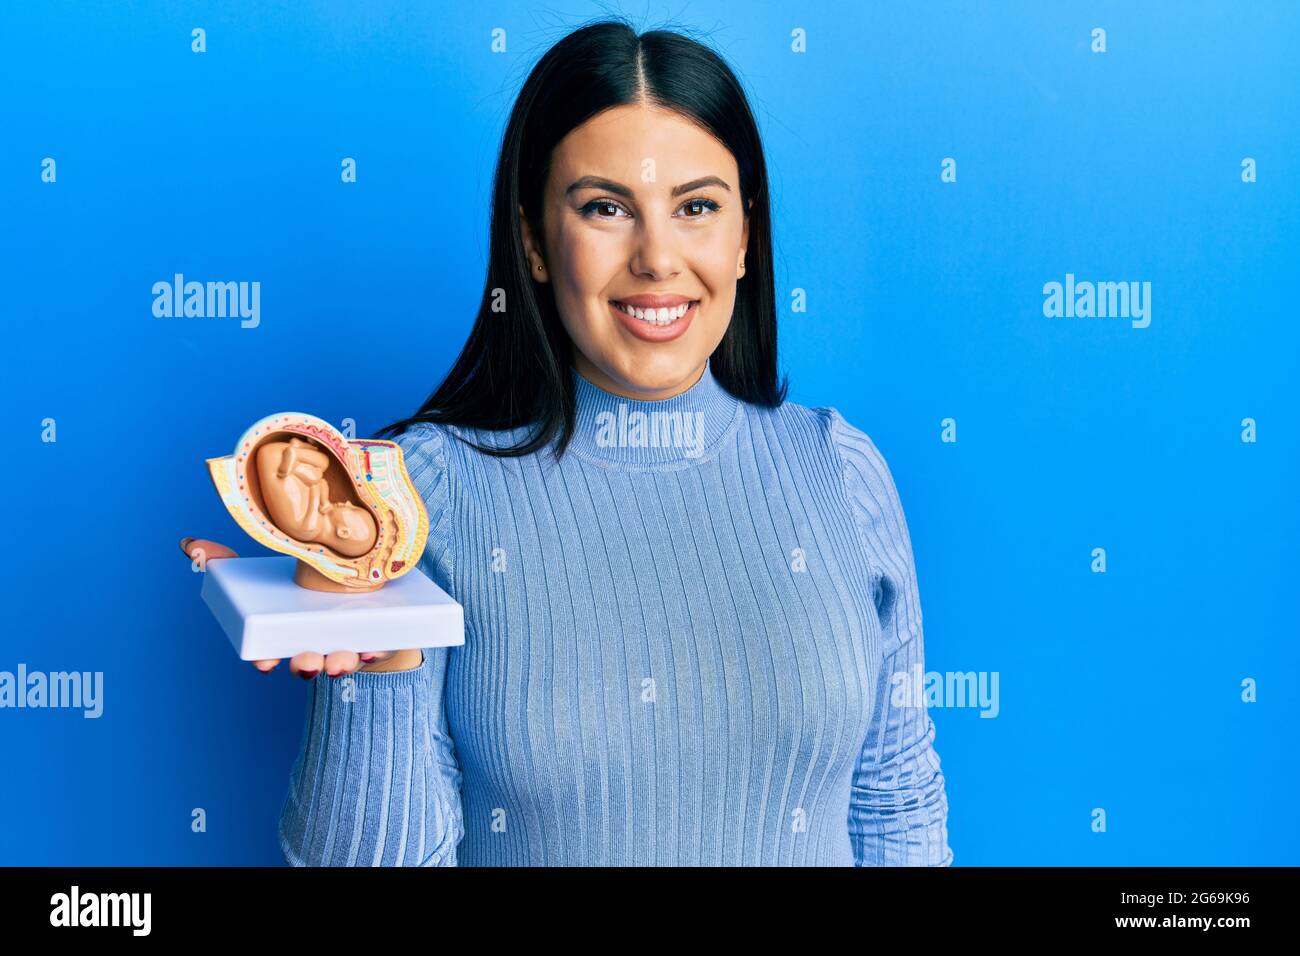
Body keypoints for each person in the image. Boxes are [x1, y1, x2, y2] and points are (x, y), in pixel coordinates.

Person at [180, 17, 953, 866]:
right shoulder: (418, 497)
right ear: (534, 245)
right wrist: (373, 650)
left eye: (696, 207)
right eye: (605, 208)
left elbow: (896, 799)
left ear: (743, 238)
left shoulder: (840, 473)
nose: (658, 258)